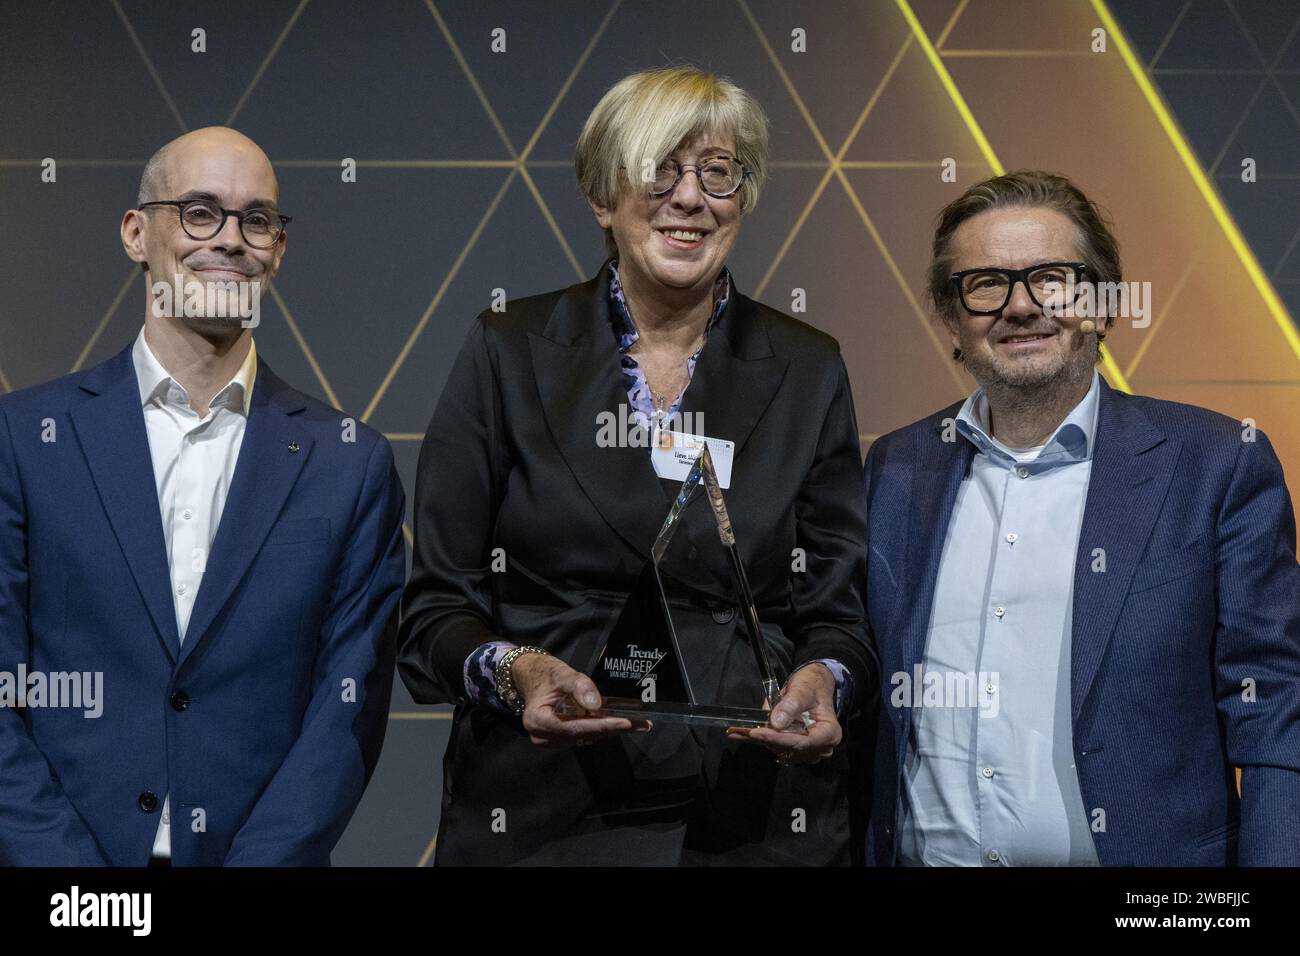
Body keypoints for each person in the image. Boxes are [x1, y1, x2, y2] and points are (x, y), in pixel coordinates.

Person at [398, 66, 876, 865]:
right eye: (660, 168)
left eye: (718, 172)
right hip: (545, 815)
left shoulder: (808, 367)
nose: (690, 197)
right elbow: (437, 612)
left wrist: (826, 680)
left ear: (743, 198)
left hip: (750, 818)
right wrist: (516, 669)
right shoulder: (508, 349)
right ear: (602, 197)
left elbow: (840, 613)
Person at [863, 170, 1300, 866]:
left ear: (1102, 302)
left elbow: (1275, 709)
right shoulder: (894, 469)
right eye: (985, 284)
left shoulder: (1214, 465)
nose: (1021, 307)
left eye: (1054, 280)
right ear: (951, 318)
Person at [0, 127, 406, 866]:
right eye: (198, 212)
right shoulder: (25, 440)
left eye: (257, 219)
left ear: (278, 249)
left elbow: (340, 721)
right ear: (136, 233)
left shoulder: (349, 465)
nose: (229, 239)